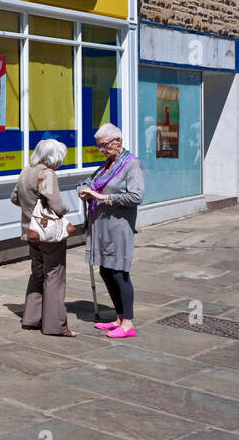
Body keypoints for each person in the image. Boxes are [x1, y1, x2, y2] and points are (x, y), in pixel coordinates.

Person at [81, 123, 145, 338]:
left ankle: (128, 323)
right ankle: (118, 317)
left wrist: (104, 197)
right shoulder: (107, 164)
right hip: (101, 226)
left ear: (117, 141)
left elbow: (136, 197)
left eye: (105, 146)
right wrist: (84, 189)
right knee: (105, 270)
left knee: (119, 272)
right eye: (99, 147)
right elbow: (88, 182)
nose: (102, 150)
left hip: (119, 227)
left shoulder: (131, 164)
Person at [12, 138, 78, 337]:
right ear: (53, 157)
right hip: (49, 234)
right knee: (55, 275)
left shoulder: (26, 171)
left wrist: (30, 209)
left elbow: (14, 198)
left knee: (38, 273)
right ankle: (56, 326)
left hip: (30, 232)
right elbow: (57, 205)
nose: (61, 162)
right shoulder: (47, 174)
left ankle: (31, 318)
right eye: (61, 158)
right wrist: (66, 209)